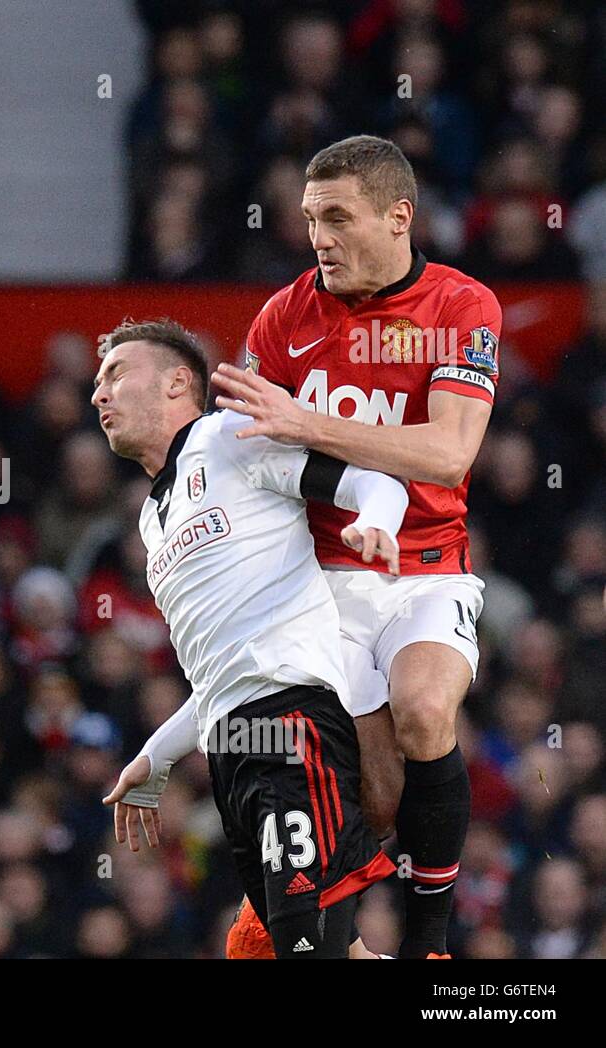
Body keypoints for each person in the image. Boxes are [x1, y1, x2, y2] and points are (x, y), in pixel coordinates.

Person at [210, 135, 501, 958]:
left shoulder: (461, 307)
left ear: (397, 216)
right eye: (310, 221)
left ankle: (431, 942)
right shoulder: (283, 317)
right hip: (320, 582)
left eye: (337, 218)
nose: (318, 238)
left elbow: (448, 453)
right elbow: (249, 453)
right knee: (371, 797)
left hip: (427, 569)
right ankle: (296, 934)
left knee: (424, 709)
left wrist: (308, 423)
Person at [93, 318, 406, 958]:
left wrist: (375, 524)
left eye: (116, 374)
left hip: (293, 727)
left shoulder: (228, 437)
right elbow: (218, 678)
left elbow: (375, 481)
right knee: (324, 950)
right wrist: (156, 756)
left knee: (304, 946)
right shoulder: (152, 520)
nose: (98, 395)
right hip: (231, 750)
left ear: (180, 381)